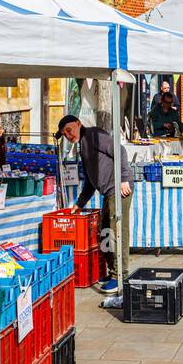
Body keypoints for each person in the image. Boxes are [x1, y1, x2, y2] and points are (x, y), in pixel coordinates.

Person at [60, 115, 133, 293]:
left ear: (78, 123)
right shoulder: (82, 146)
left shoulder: (93, 135)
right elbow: (91, 181)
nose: (68, 135)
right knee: (105, 232)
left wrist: (123, 179)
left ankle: (120, 276)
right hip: (108, 192)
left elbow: (120, 150)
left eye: (70, 130)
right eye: (64, 134)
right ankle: (112, 272)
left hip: (118, 188)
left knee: (117, 232)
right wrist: (80, 204)